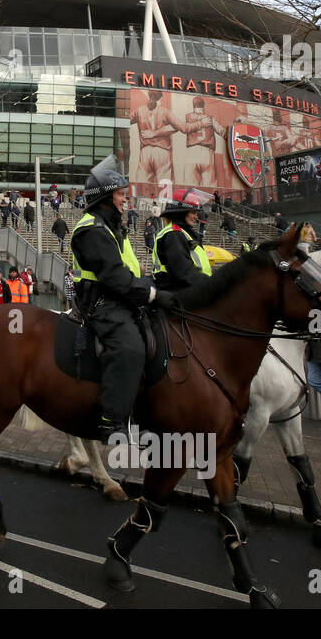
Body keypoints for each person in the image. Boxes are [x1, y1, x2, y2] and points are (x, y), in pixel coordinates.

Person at [69, 163, 174, 438]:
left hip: (121, 298)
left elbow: (129, 271)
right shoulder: (91, 229)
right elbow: (114, 276)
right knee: (130, 348)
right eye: (120, 194)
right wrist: (151, 294)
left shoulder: (111, 226)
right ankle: (110, 419)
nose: (125, 198)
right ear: (105, 197)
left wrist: (150, 285)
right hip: (103, 304)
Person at [152, 189, 213, 292]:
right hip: (180, 295)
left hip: (192, 291)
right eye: (193, 212)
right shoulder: (173, 234)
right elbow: (184, 271)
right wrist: (212, 285)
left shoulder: (183, 233)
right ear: (181, 212)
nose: (196, 217)